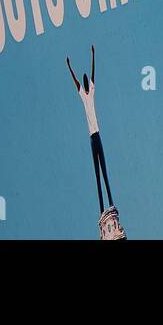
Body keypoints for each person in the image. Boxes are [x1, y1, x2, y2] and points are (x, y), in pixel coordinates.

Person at [67, 46, 114, 216]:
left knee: (104, 170)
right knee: (97, 174)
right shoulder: (83, 95)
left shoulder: (91, 93)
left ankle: (111, 202)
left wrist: (93, 55)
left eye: (87, 83)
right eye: (86, 83)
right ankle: (102, 208)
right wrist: (69, 67)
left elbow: (93, 73)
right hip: (92, 138)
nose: (87, 85)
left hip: (97, 136)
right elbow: (76, 83)